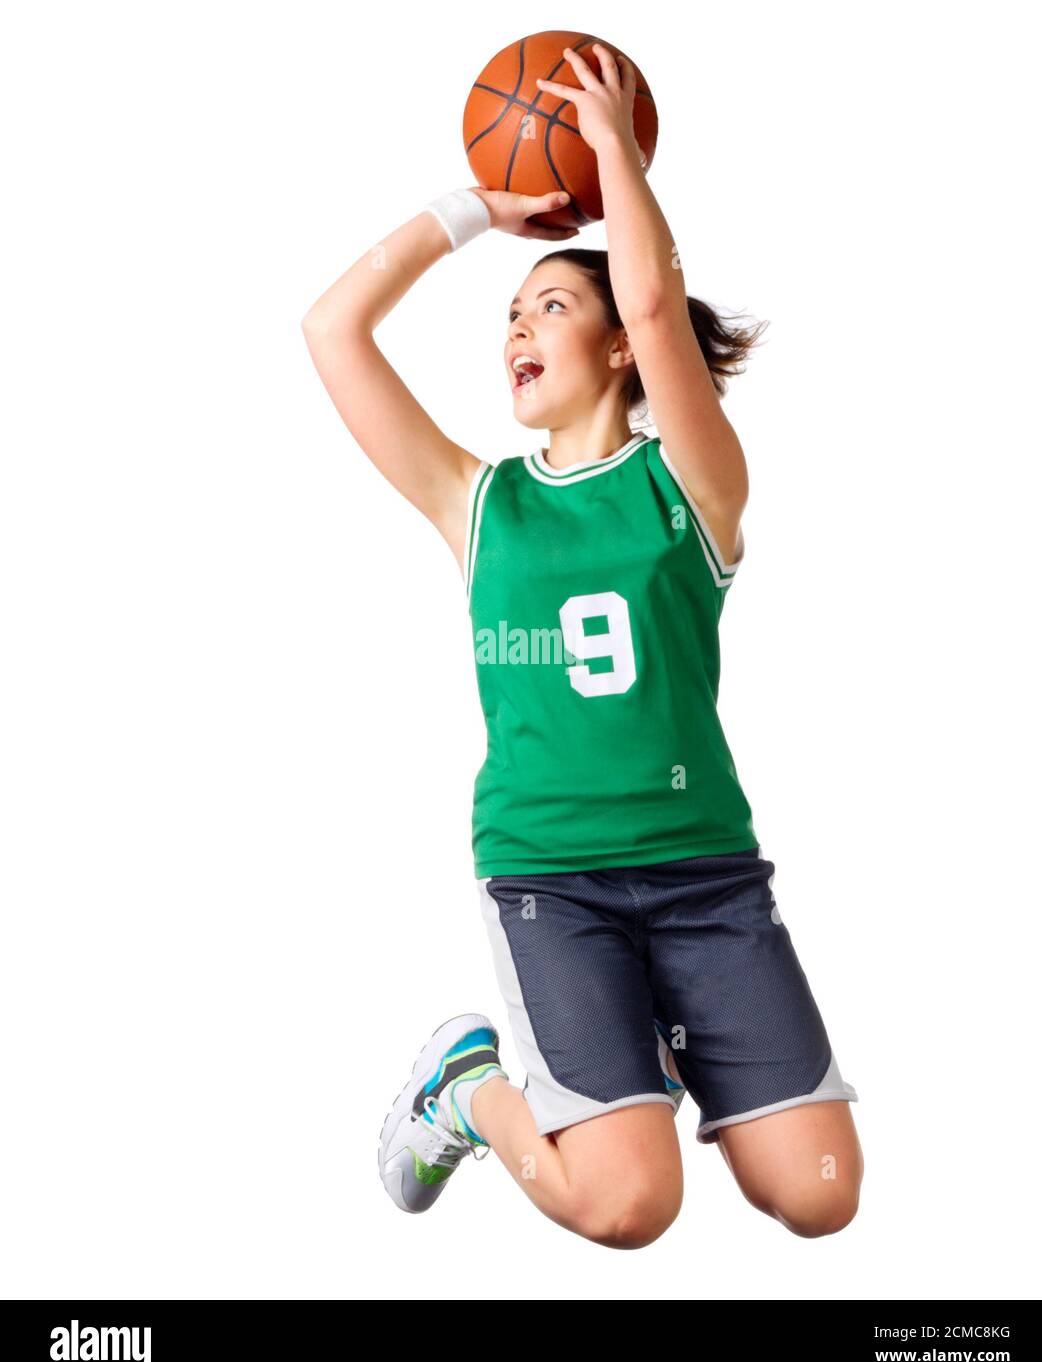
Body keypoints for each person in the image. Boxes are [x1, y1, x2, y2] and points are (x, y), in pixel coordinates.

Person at [302, 42, 863, 1249]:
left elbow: (655, 300)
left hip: (708, 879)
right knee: (625, 1204)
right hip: (556, 885)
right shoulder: (479, 501)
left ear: (619, 350)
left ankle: (646, 1033)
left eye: (550, 304)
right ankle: (465, 1087)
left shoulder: (691, 487)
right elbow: (333, 329)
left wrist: (612, 157)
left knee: (818, 1190)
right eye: (512, 313)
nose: (518, 326)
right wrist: (474, 210)